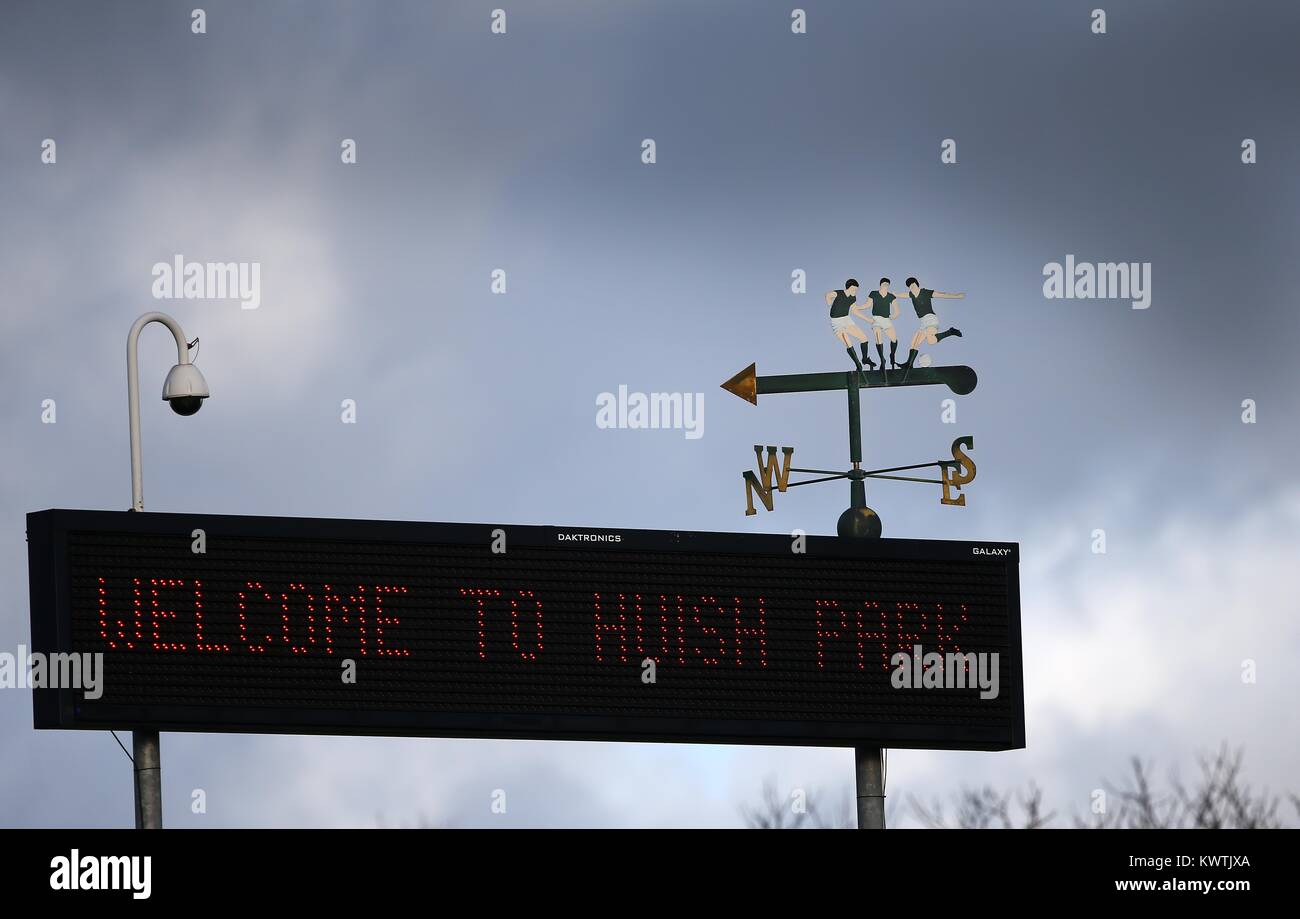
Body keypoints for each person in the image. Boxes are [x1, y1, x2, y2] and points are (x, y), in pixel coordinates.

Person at [896, 277, 964, 370]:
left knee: (931, 341)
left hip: (931, 319)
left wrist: (957, 296)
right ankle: (909, 364)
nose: (912, 288)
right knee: (914, 343)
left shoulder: (925, 292)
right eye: (910, 287)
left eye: (913, 285)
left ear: (917, 284)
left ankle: (950, 332)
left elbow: (941, 295)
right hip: (923, 322)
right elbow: (899, 295)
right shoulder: (911, 294)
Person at [824, 278, 876, 380]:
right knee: (847, 340)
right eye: (853, 289)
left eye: (856, 290)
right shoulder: (839, 293)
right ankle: (858, 364)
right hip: (836, 322)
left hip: (847, 320)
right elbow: (828, 295)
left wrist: (868, 320)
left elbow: (855, 311)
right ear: (848, 288)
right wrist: (829, 303)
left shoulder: (853, 298)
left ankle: (865, 359)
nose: (855, 292)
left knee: (864, 338)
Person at [866, 278, 902, 370]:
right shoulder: (873, 293)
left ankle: (892, 355)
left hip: (886, 320)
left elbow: (897, 310)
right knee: (878, 335)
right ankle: (882, 360)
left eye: (887, 284)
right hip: (876, 319)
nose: (885, 285)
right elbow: (867, 305)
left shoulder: (891, 296)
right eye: (884, 283)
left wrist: (893, 316)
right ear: (880, 284)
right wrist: (857, 307)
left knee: (894, 339)